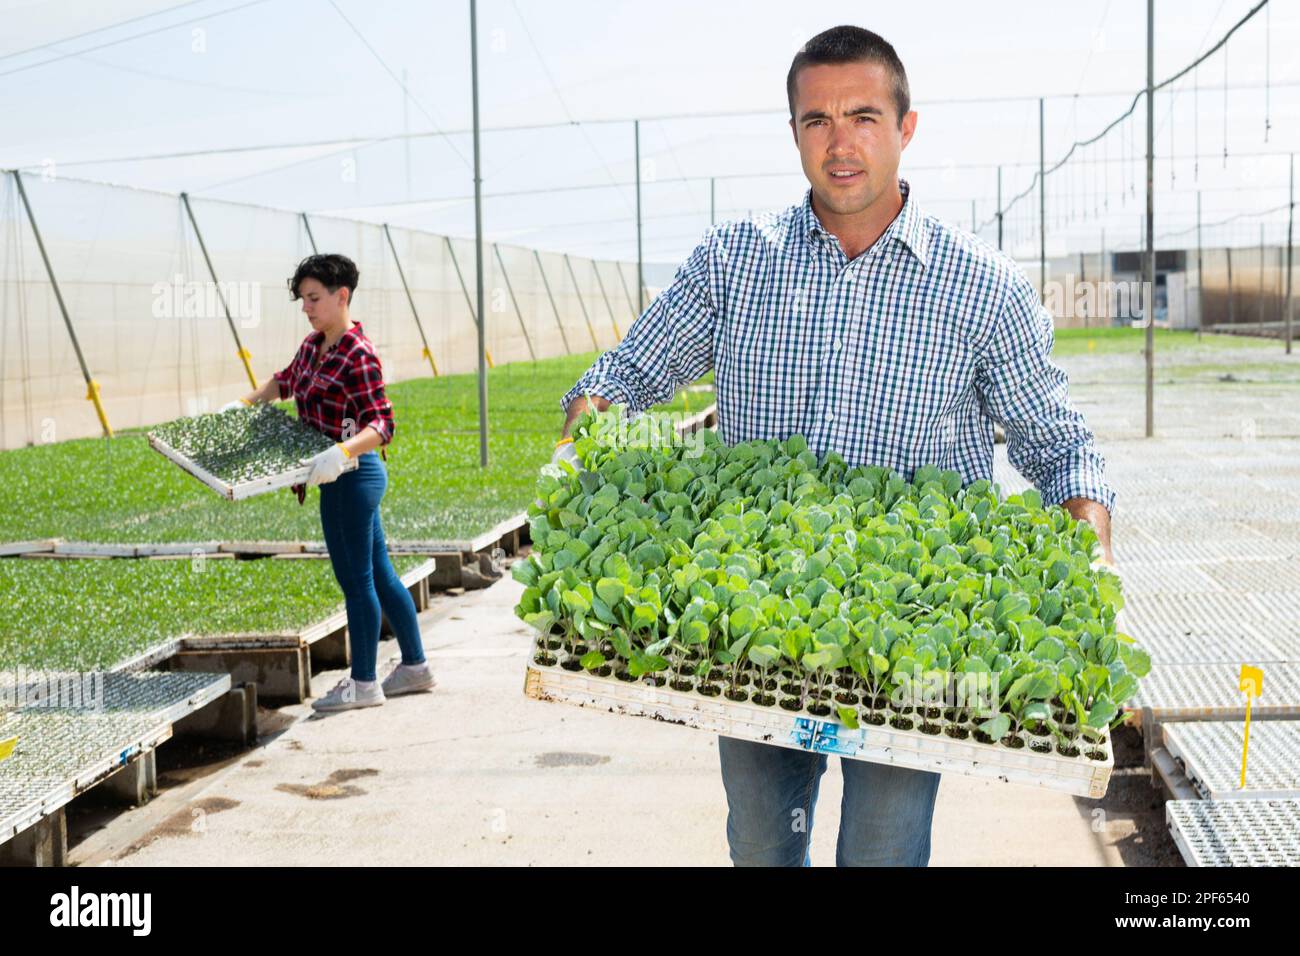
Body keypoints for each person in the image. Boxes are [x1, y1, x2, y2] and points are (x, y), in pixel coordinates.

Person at [554, 26, 1116, 866]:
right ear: (793, 134)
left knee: (884, 851)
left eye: (863, 115)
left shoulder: (982, 289)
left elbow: (1058, 445)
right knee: (761, 841)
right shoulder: (735, 262)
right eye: (816, 120)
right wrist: (591, 418)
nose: (840, 141)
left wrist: (1091, 552)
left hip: (911, 634)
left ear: (906, 127)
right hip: (757, 632)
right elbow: (630, 371)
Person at [222, 253, 434, 712]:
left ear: (342, 296)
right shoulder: (314, 346)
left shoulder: (359, 353)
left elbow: (382, 423)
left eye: (314, 298)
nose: (307, 308)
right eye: (302, 300)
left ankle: (363, 684)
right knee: (380, 574)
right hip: (341, 480)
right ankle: (415, 667)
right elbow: (285, 382)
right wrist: (247, 401)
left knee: (356, 583)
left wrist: (341, 452)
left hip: (352, 478)